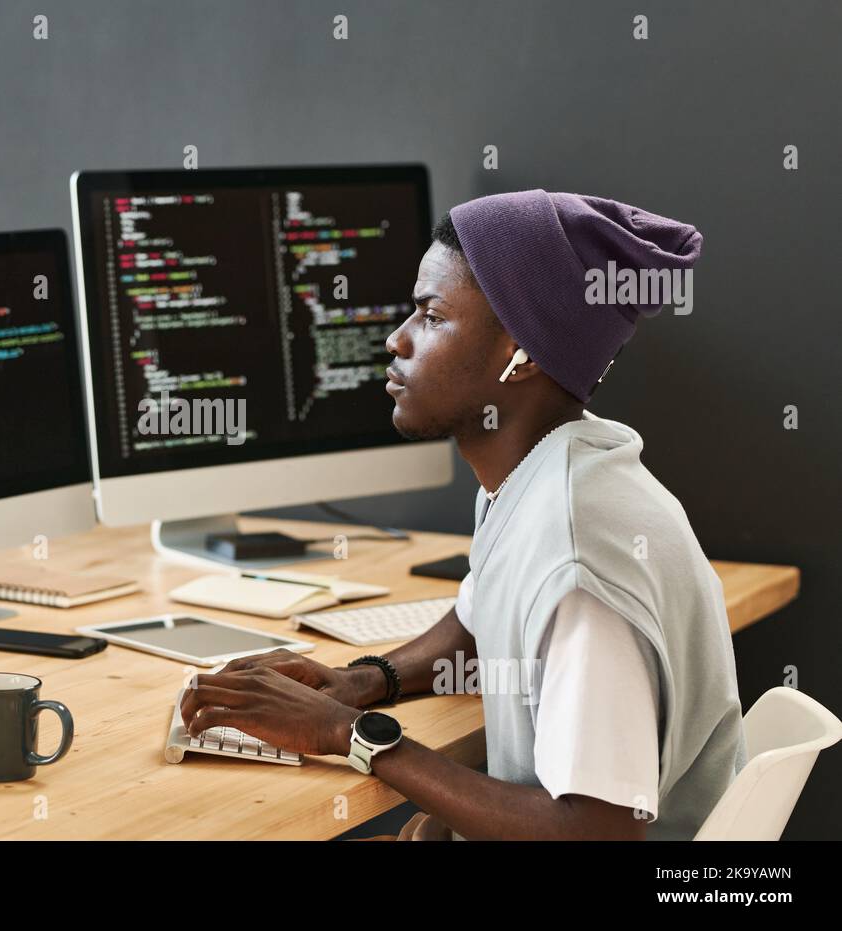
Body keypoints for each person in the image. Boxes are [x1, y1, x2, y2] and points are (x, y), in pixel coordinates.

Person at [180, 189, 746, 841]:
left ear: (523, 354)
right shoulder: (544, 473)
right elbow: (482, 621)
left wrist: (347, 733)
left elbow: (595, 832)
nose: (396, 339)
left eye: (431, 315)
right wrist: (360, 682)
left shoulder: (580, 560)